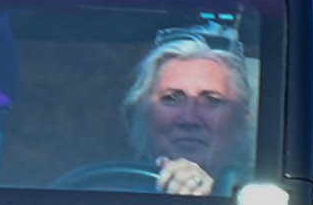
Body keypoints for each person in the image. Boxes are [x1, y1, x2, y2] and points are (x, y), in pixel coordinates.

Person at [76, 32, 257, 195]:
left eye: (211, 100)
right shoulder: (104, 193)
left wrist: (212, 201)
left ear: (241, 122)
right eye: (171, 98)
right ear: (146, 115)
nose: (189, 118)